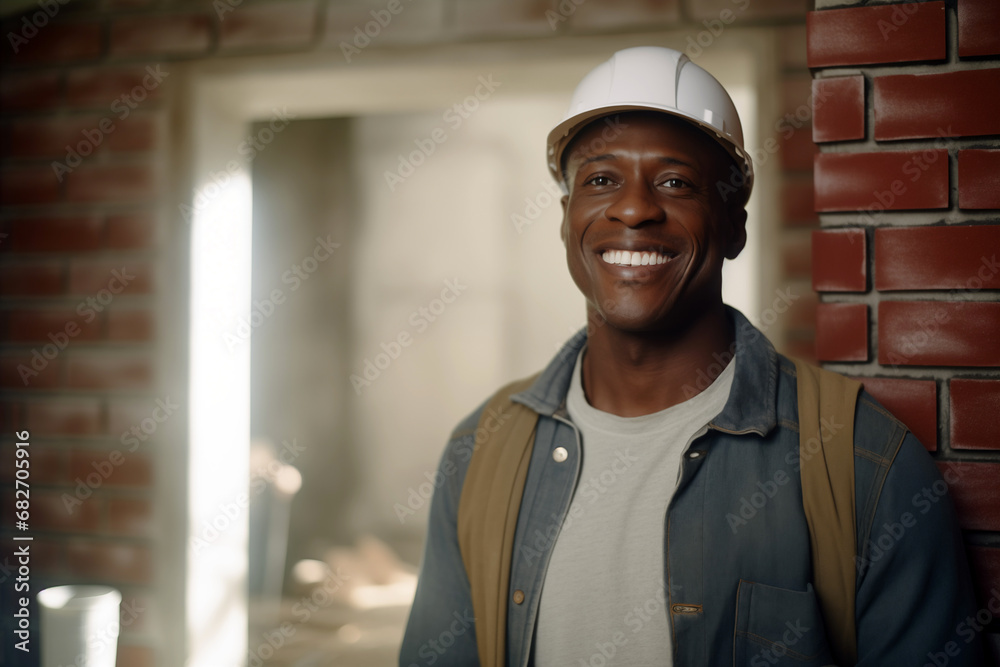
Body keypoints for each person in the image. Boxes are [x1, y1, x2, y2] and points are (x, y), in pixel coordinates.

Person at [398, 46, 982, 666]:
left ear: (735, 226)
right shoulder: (481, 452)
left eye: (676, 182)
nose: (633, 209)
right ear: (566, 219)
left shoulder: (862, 461)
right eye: (600, 180)